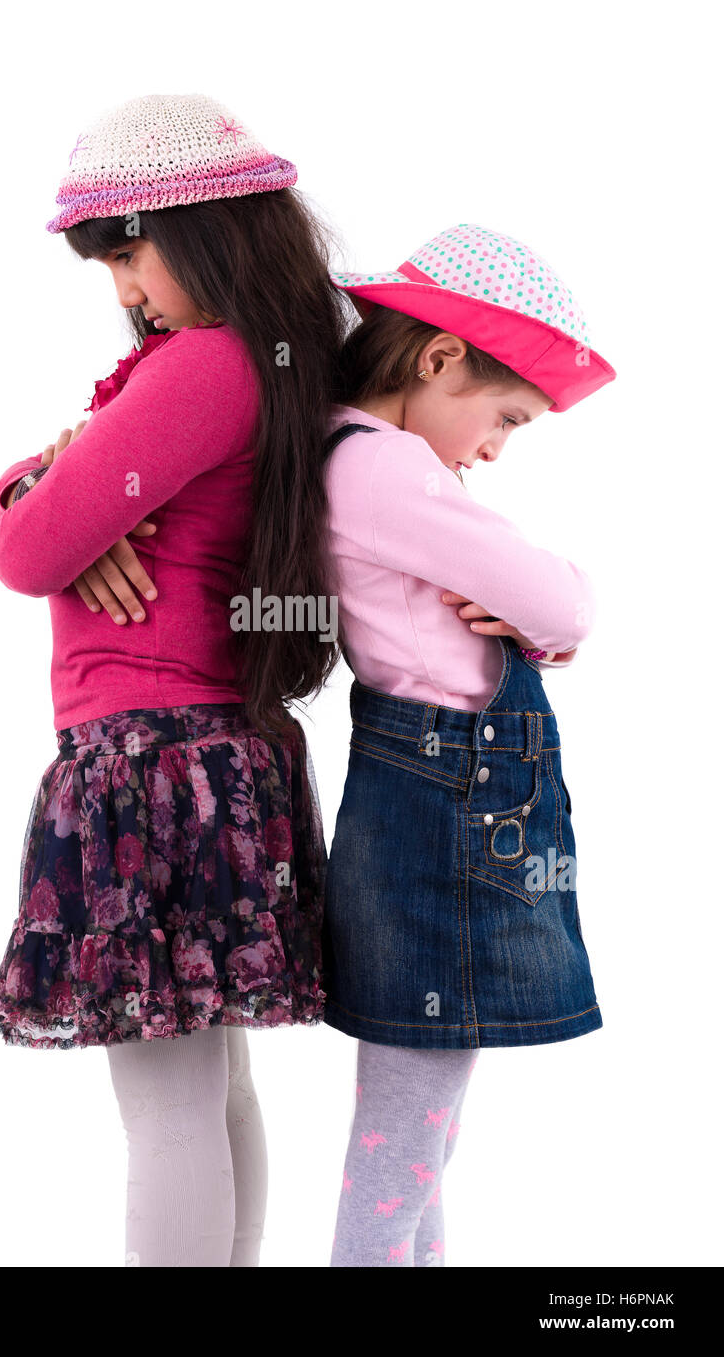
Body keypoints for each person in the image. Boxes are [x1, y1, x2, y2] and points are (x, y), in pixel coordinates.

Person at [0, 92, 348, 1267]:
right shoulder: (259, 365)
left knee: (167, 1099)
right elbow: (51, 524)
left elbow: (27, 552)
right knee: (210, 1080)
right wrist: (52, 487)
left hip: (151, 759)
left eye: (129, 253)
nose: (124, 288)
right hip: (209, 749)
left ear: (208, 232)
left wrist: (38, 494)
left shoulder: (201, 368)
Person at [319, 222, 616, 1266]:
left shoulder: (358, 458)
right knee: (409, 1125)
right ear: (439, 358)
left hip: (437, 783)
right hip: (448, 793)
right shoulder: (384, 467)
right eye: (507, 418)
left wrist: (531, 620)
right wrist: (551, 611)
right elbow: (563, 602)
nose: (493, 450)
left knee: (421, 1126)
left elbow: (532, 612)